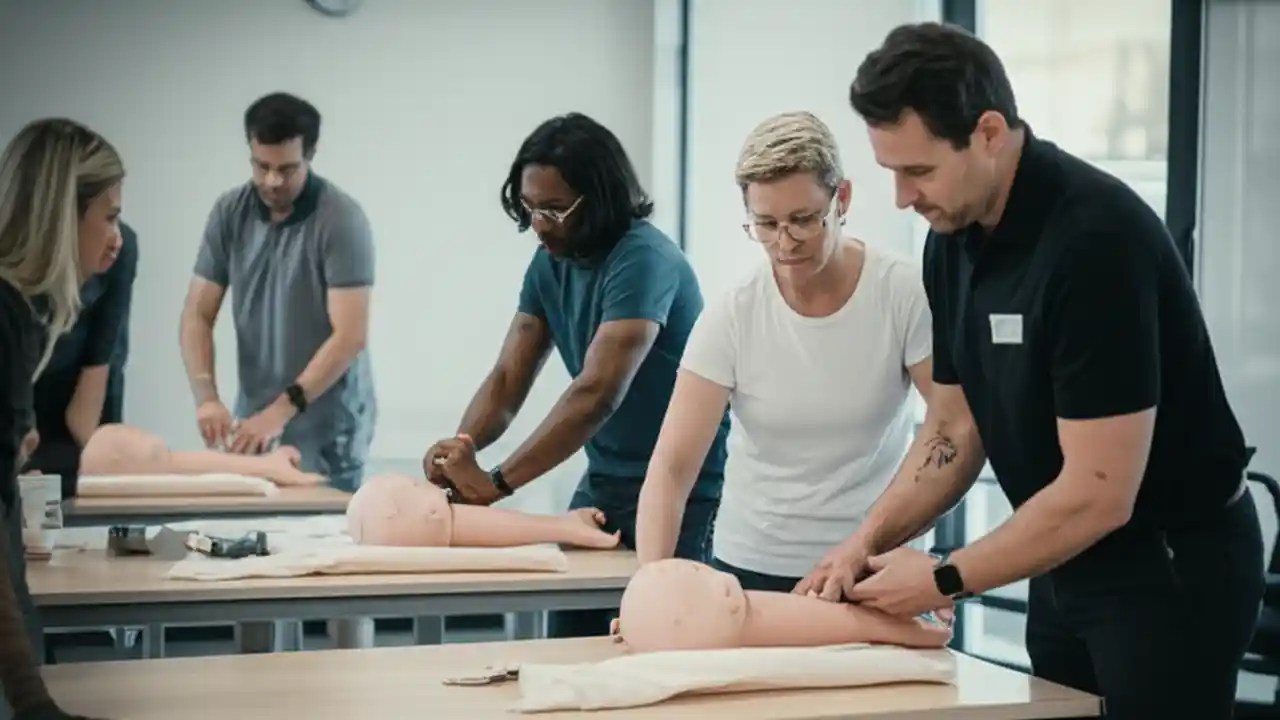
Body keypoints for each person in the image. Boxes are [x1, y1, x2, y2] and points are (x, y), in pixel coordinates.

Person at [802, 22, 1263, 719]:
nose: (902, 198)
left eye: (918, 171)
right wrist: (864, 543)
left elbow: (1102, 492)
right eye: (892, 171)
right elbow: (953, 424)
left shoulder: (1094, 242)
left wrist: (945, 579)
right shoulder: (952, 241)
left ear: (989, 132)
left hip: (1167, 565)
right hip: (1060, 553)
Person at [423, 112, 728, 637]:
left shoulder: (644, 259)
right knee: (571, 638)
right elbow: (506, 377)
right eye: (530, 207)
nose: (540, 223)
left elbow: (596, 393)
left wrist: (496, 482)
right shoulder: (550, 262)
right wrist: (462, 448)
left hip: (687, 493)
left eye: (556, 209)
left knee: (665, 637)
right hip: (606, 485)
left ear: (602, 198)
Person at [634, 111, 932, 592]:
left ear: (843, 199)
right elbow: (671, 470)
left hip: (874, 564)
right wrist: (649, 587)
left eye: (803, 220)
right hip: (753, 565)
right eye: (765, 224)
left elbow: (950, 431)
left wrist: (895, 543)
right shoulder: (734, 312)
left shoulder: (902, 292)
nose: (784, 242)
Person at [179, 92, 376, 492]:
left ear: (311, 154)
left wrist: (280, 413)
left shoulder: (341, 219)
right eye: (261, 166)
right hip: (253, 420)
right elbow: (197, 315)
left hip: (327, 428)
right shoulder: (228, 212)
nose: (272, 180)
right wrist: (207, 397)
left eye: (287, 169)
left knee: (325, 541)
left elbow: (350, 336)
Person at [1, 118, 122, 720]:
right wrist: (31, 701)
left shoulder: (21, 315)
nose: (117, 235)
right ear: (61, 215)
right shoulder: (5, 316)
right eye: (109, 214)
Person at [23, 221, 137, 497]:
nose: (117, 239)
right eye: (107, 218)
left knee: (112, 460)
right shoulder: (21, 263)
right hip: (22, 417)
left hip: (80, 413)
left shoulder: (120, 251)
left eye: (116, 216)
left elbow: (84, 419)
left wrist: (104, 454)